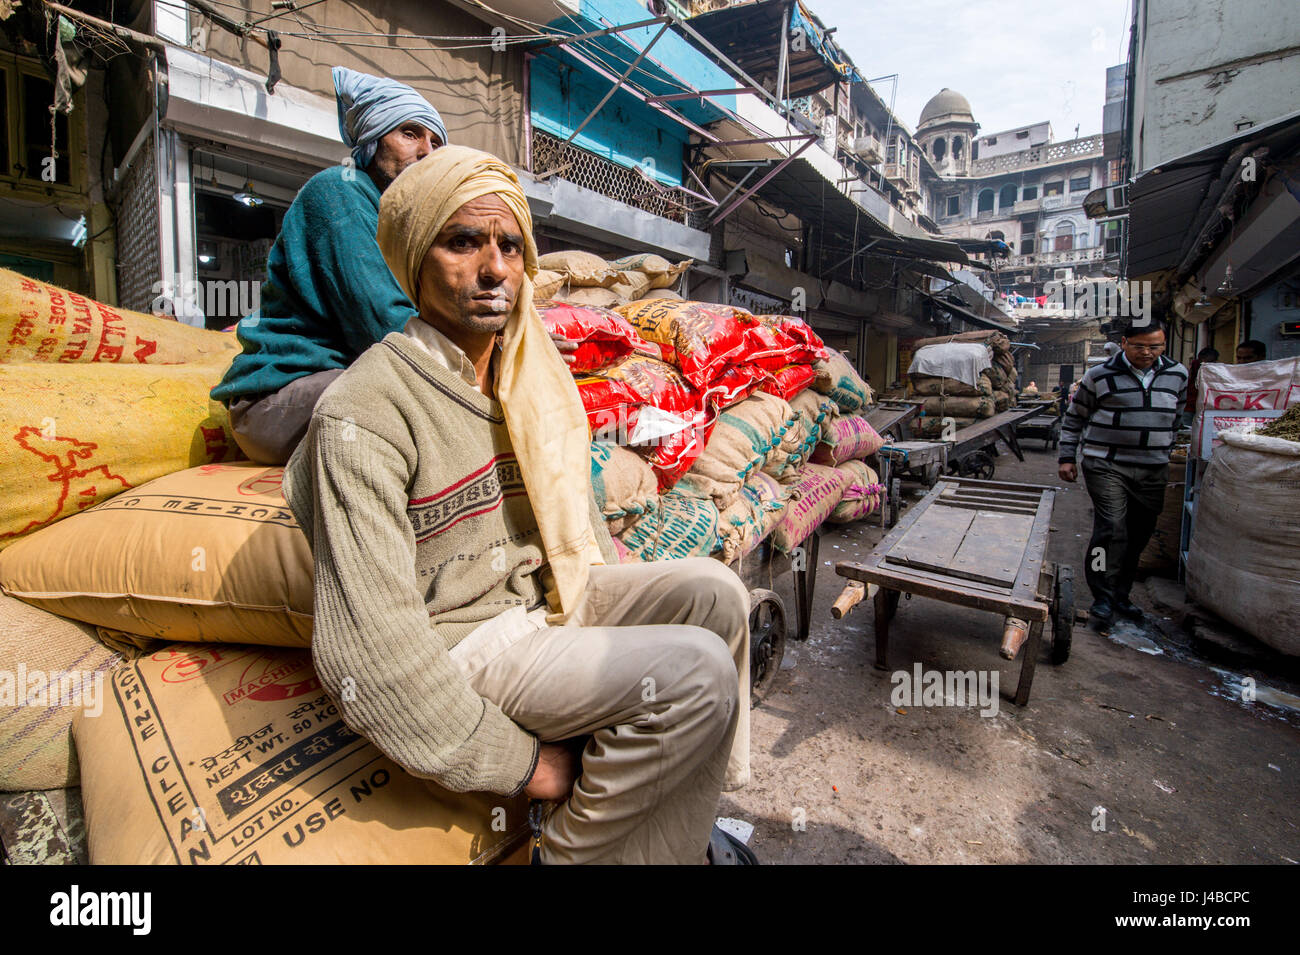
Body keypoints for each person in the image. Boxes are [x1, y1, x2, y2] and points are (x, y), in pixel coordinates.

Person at [283, 145, 752, 865]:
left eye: (508, 244)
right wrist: (527, 764)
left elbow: (575, 523)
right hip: (468, 644)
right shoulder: (365, 411)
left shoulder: (525, 379)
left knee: (719, 594)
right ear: (415, 262)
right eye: (463, 242)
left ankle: (673, 843)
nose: (495, 267)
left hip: (544, 602)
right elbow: (370, 657)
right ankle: (563, 856)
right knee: (697, 672)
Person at [210, 68, 448, 465]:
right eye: (410, 134)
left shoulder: (397, 221)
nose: (427, 152)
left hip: (336, 383)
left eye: (435, 141)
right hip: (277, 402)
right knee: (421, 395)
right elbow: (385, 326)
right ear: (373, 141)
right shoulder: (340, 191)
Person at [1058, 319, 1188, 629]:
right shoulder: (1099, 375)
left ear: (1164, 344)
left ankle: (1121, 594)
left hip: (1153, 467)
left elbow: (1175, 417)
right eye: (1140, 346)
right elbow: (1074, 419)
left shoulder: (1177, 374)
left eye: (1155, 346)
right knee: (1110, 529)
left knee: (1138, 534)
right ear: (1125, 343)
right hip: (1106, 464)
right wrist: (1066, 457)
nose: (1147, 352)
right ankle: (1101, 595)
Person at [1182, 346, 1219, 427]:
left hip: (1205, 409)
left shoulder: (1216, 371)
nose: (1203, 363)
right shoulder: (1195, 368)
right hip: (1190, 407)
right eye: (1202, 361)